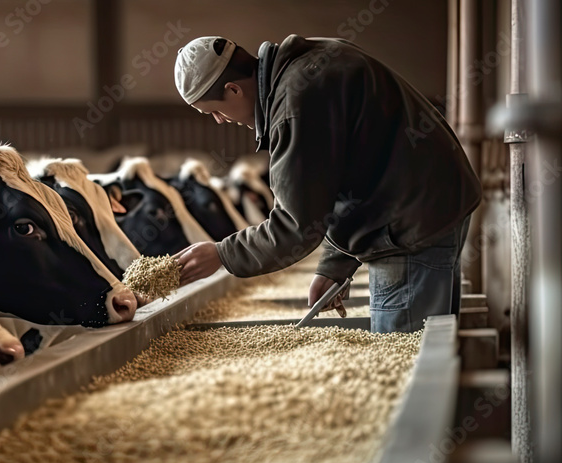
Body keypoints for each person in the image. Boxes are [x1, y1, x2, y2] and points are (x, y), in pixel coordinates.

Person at [172, 35, 481, 333]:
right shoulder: (313, 59)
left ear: (233, 90)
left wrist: (222, 254)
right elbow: (355, 173)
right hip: (433, 203)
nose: (219, 120)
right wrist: (335, 264)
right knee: (434, 339)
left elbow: (294, 226)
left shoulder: (293, 106)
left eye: (213, 110)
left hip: (412, 223)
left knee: (406, 350)